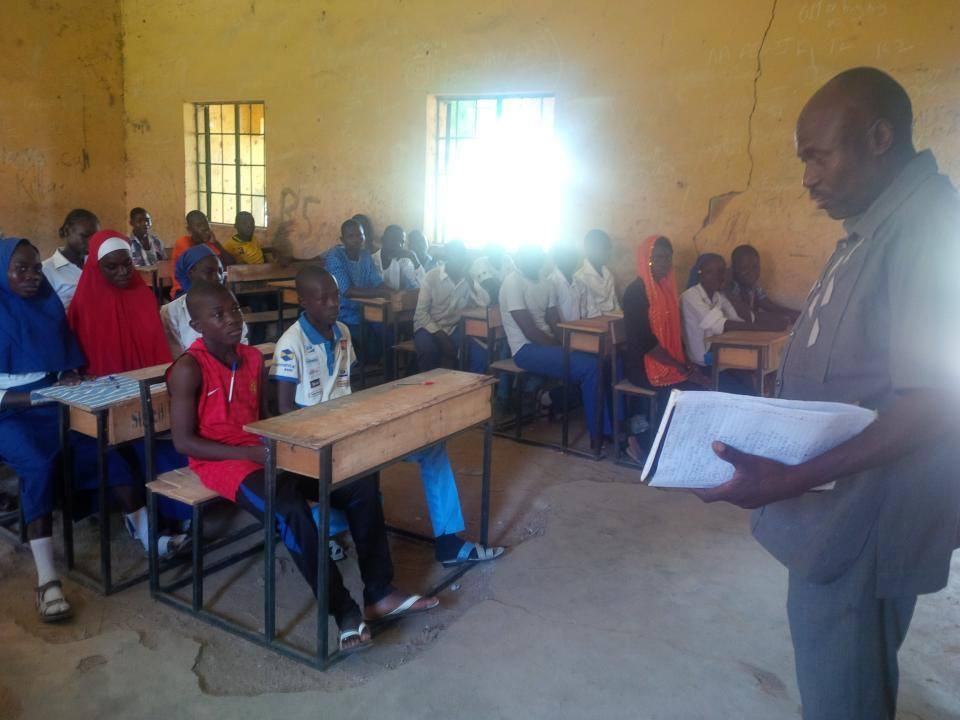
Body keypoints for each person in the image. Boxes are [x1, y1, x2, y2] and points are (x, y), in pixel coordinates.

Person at [693, 68, 960, 720]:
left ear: (879, 137)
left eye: (819, 156)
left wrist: (791, 478)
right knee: (845, 671)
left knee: (844, 690)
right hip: (838, 512)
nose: (808, 177)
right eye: (803, 160)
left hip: (863, 521)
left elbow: (934, 402)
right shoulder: (877, 223)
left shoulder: (927, 229)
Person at [168, 281, 439, 651]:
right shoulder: (189, 368)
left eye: (235, 310)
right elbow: (184, 442)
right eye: (218, 315)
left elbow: (266, 416)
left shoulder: (251, 358)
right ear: (197, 325)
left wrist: (284, 445)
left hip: (262, 450)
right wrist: (250, 455)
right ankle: (343, 610)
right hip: (222, 461)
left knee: (359, 484)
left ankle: (379, 593)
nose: (232, 319)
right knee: (289, 509)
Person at [272, 265, 502, 566]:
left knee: (431, 449)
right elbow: (284, 410)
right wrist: (322, 436)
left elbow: (349, 387)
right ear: (303, 301)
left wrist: (369, 415)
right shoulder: (291, 344)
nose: (333, 303)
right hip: (318, 439)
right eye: (323, 298)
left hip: (351, 425)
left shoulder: (343, 331)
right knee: (363, 497)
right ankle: (316, 530)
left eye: (336, 296)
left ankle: (448, 542)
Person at [66, 230, 188, 557]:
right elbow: (77, 367)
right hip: (103, 406)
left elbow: (158, 355)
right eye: (112, 267)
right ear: (96, 268)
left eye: (127, 265)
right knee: (114, 454)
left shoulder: (141, 296)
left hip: (146, 396)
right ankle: (146, 528)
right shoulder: (84, 304)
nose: (122, 272)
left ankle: (175, 515)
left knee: (168, 447)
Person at [0, 238, 86, 622]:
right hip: (8, 412)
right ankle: (47, 577)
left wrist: (67, 373)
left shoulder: (47, 305)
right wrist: (32, 398)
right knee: (38, 464)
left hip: (49, 401)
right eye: (20, 269)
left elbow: (62, 357)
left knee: (98, 443)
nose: (32, 276)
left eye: (36, 268)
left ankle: (148, 532)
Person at [500, 246, 610, 444]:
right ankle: (599, 434)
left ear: (542, 259)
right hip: (525, 349)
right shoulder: (512, 283)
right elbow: (529, 331)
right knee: (591, 367)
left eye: (536, 257)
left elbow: (554, 321)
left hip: (547, 346)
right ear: (518, 260)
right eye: (526, 258)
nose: (531, 262)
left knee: (604, 359)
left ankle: (612, 427)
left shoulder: (546, 282)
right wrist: (562, 347)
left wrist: (570, 344)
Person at [622, 236, 711, 460]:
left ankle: (679, 446)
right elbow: (645, 341)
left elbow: (674, 334)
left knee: (701, 384)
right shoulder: (636, 292)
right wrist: (680, 366)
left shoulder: (666, 290)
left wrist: (686, 363)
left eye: (668, 258)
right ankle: (647, 447)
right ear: (646, 259)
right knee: (678, 390)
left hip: (667, 360)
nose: (664, 263)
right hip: (642, 365)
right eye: (658, 258)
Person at [680, 253, 786, 373]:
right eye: (711, 272)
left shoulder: (718, 296)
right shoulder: (690, 297)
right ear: (700, 274)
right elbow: (722, 324)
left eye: (721, 271)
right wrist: (765, 327)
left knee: (765, 363)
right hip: (703, 358)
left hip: (720, 352)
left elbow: (742, 318)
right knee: (755, 367)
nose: (718, 276)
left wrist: (728, 292)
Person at [412, 240, 489, 372]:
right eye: (455, 255)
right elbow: (421, 314)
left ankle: (468, 384)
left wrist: (472, 282)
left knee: (479, 354)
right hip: (427, 327)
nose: (459, 259)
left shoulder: (468, 278)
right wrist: (440, 335)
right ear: (447, 257)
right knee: (428, 351)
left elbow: (484, 303)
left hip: (454, 328)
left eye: (462, 255)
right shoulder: (431, 277)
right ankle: (431, 384)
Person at [161, 245, 249, 357]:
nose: (218, 277)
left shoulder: (228, 303)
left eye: (220, 271)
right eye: (209, 272)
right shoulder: (170, 312)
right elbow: (175, 354)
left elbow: (241, 343)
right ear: (191, 273)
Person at [323, 218, 390, 360]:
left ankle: (391, 369)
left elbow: (377, 281)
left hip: (366, 311)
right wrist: (381, 292)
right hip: (343, 315)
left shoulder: (365, 255)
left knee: (388, 330)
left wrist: (391, 292)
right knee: (371, 353)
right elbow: (347, 291)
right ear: (343, 240)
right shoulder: (335, 256)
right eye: (351, 236)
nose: (357, 239)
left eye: (360, 235)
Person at [169, 210, 237, 299]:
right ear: (189, 230)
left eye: (205, 223)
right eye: (199, 225)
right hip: (184, 290)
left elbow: (231, 263)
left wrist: (216, 243)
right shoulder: (183, 242)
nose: (204, 228)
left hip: (208, 288)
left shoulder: (210, 244)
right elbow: (200, 267)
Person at [726, 245, 800, 324]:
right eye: (744, 267)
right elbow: (746, 315)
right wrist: (783, 318)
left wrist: (801, 315)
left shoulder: (753, 287)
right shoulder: (729, 287)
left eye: (755, 267)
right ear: (733, 268)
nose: (751, 272)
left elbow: (772, 307)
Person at [42, 208, 99, 309]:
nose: (91, 242)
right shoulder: (46, 270)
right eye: (85, 236)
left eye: (95, 237)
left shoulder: (98, 263)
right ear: (67, 231)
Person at [575, 229, 621, 318]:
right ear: (591, 249)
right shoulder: (580, 278)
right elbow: (587, 313)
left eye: (609, 248)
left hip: (613, 319)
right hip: (594, 322)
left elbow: (615, 305)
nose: (608, 253)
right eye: (604, 248)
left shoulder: (609, 274)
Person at [372, 224, 424, 291]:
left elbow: (422, 287)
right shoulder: (371, 260)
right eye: (394, 239)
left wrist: (414, 259)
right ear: (383, 240)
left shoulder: (404, 261)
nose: (399, 245)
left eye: (402, 242)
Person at [548, 243, 586, 322]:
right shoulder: (551, 282)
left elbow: (583, 312)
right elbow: (550, 314)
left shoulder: (580, 283)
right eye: (566, 255)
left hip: (579, 327)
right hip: (560, 328)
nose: (571, 259)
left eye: (573, 255)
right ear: (556, 258)